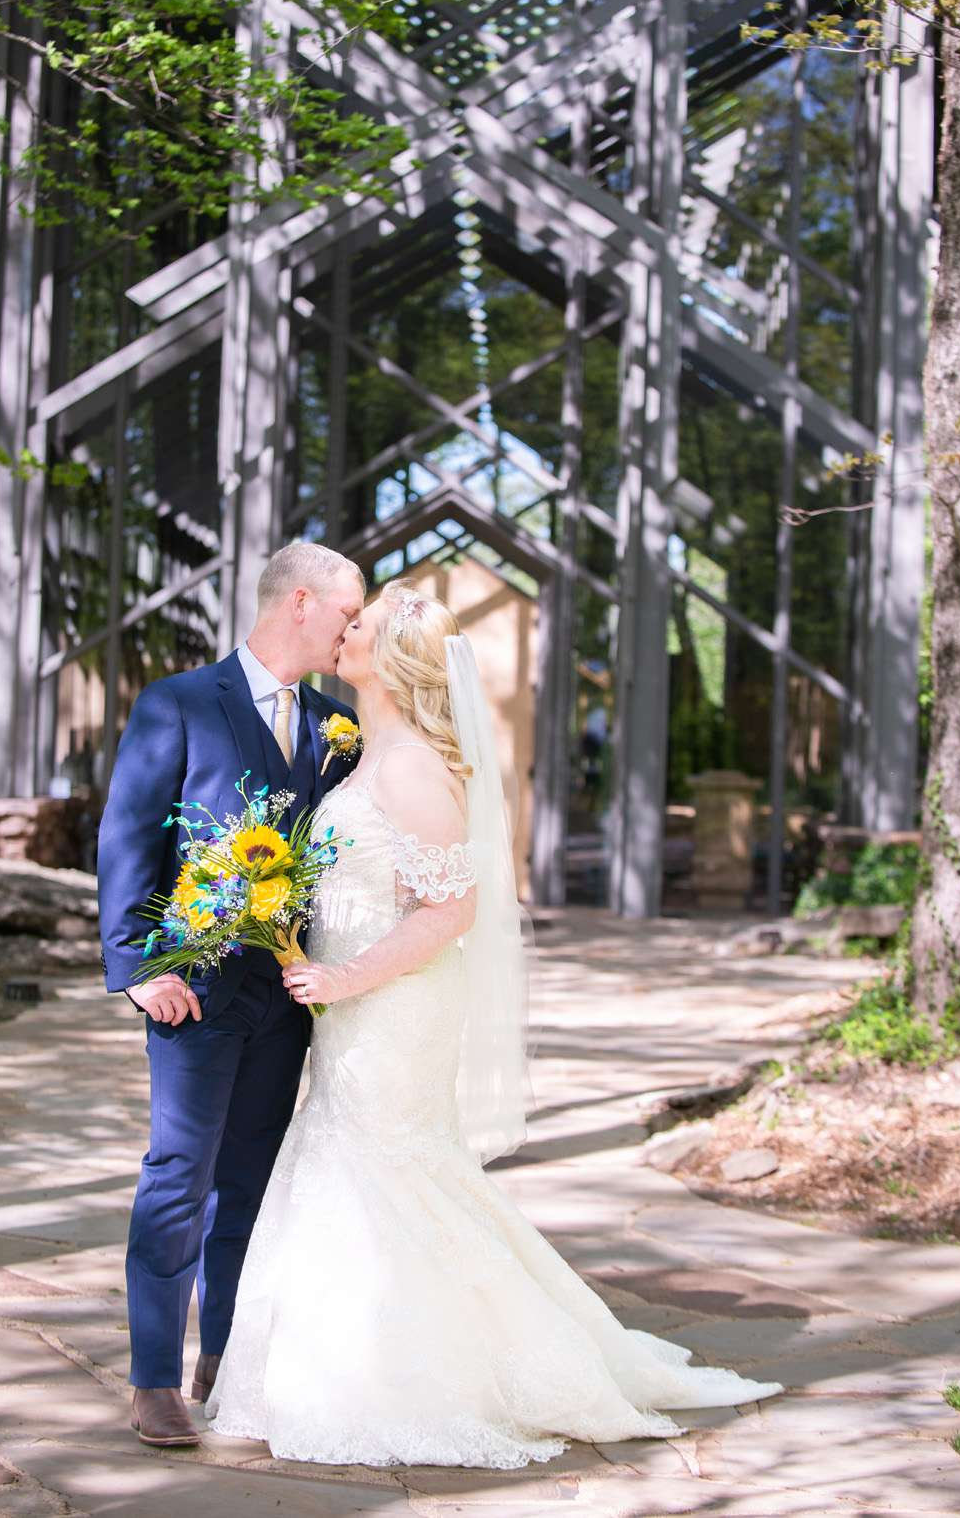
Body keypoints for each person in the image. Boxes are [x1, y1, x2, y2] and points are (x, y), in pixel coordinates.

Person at [205, 580, 781, 1468]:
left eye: (357, 627)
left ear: (391, 665)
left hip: (394, 1004)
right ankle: (334, 1364)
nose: (342, 633)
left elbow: (450, 909)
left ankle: (423, 1377)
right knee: (367, 1168)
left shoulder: (410, 769)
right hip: (355, 1005)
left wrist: (343, 975)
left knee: (386, 1169)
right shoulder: (369, 753)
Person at [97, 542, 365, 1447]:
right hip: (194, 995)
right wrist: (141, 969)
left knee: (249, 1184)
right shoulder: (178, 703)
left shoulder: (339, 727)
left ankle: (225, 1358)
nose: (351, 629)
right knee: (179, 1176)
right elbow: (128, 838)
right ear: (300, 602)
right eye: (345, 613)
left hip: (285, 1001)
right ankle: (151, 1379)